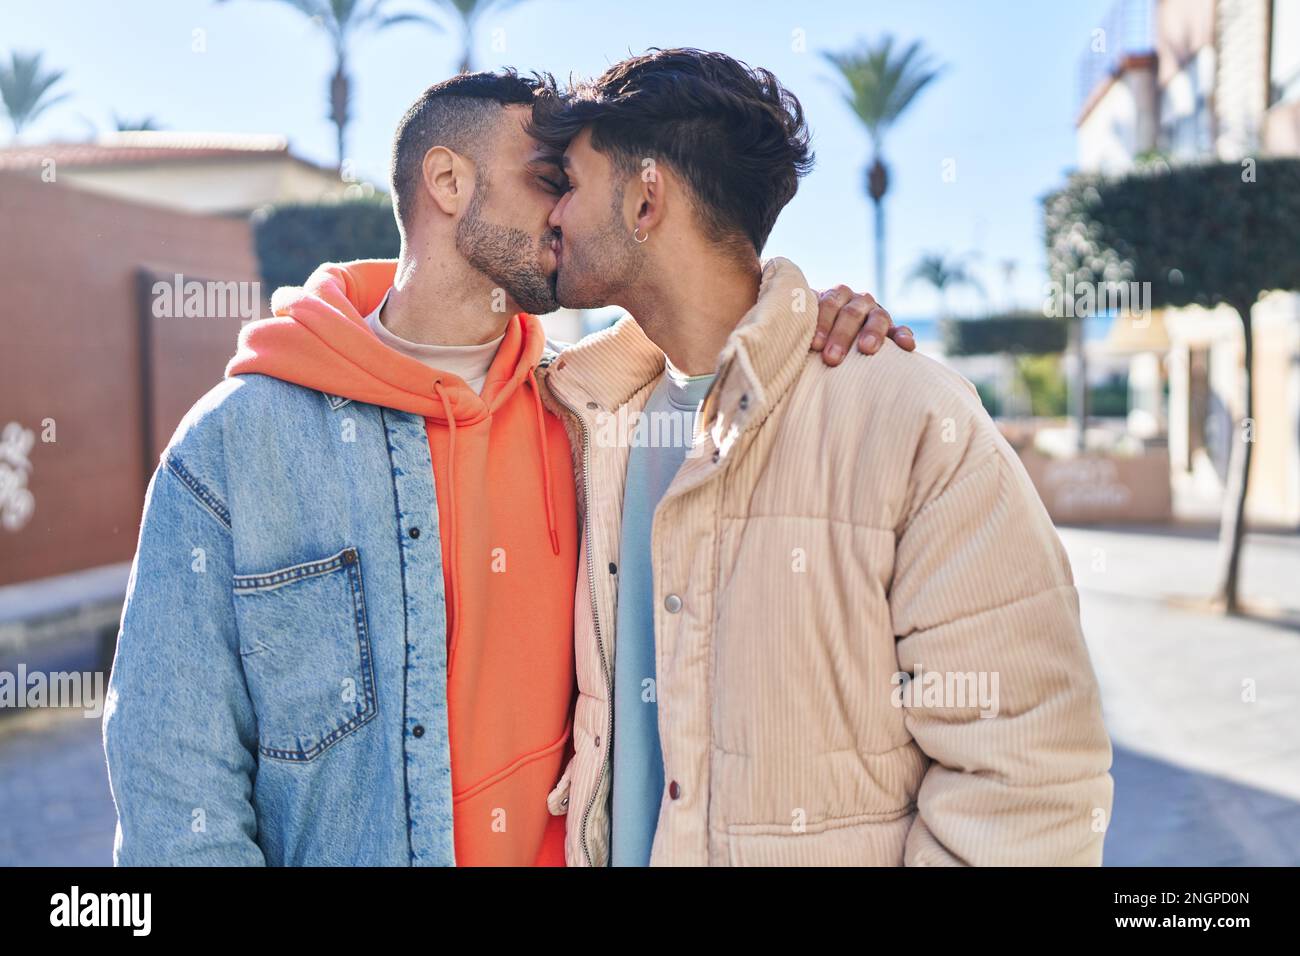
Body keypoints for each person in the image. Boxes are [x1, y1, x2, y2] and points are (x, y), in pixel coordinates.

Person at [101, 68, 911, 866]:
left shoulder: (595, 414)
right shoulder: (234, 446)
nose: (566, 211)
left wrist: (811, 319)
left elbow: (731, 350)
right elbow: (174, 790)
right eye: (546, 179)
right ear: (449, 182)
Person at [527, 48, 1115, 866]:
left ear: (645, 197)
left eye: (571, 183)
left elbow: (1029, 774)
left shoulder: (911, 418)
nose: (552, 214)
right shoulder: (584, 414)